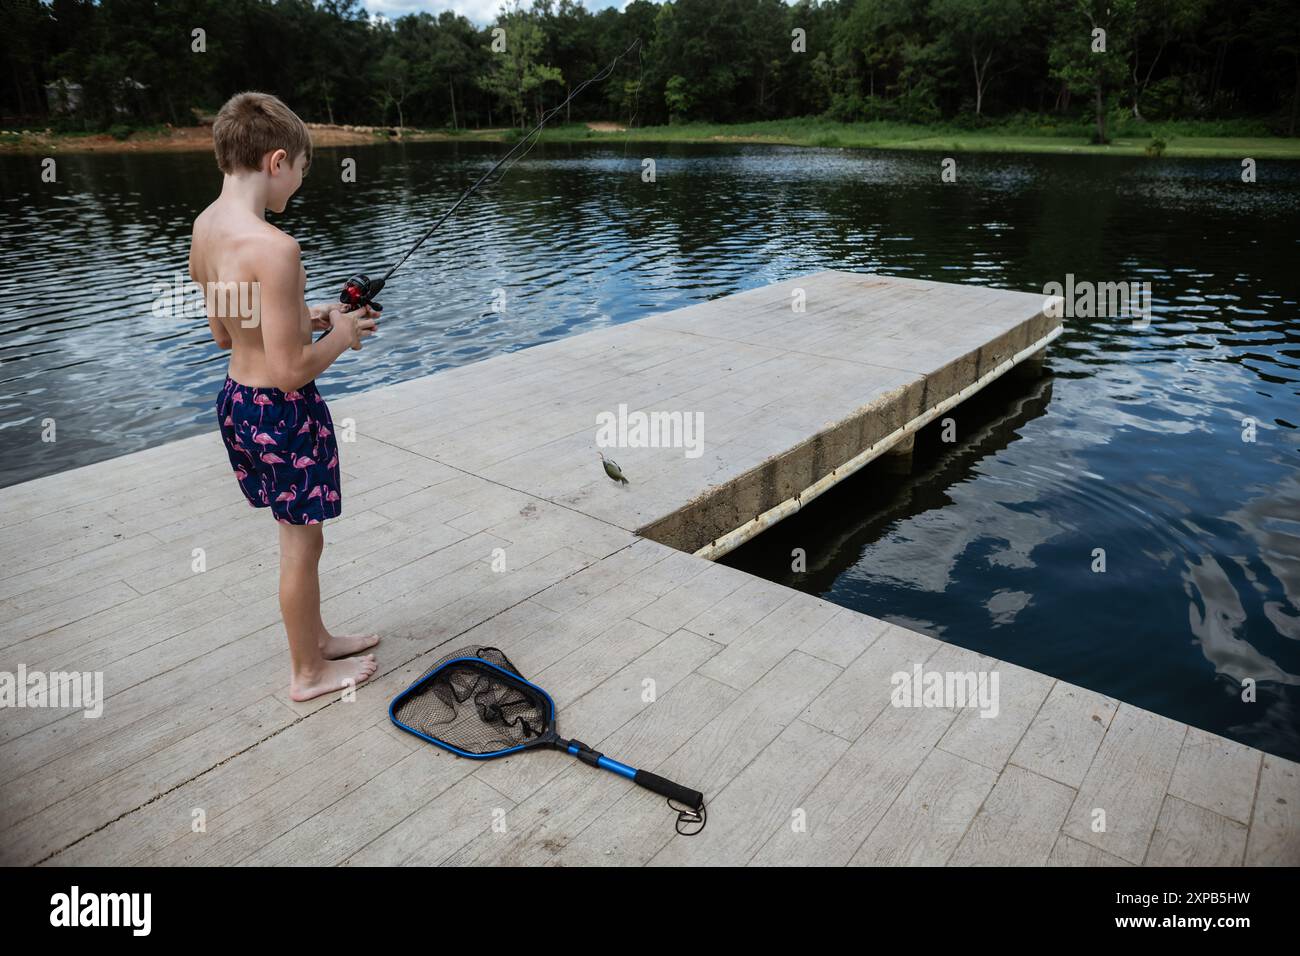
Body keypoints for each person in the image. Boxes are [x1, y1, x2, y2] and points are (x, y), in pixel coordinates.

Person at [190, 91, 381, 702]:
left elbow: (227, 333)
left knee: (304, 533)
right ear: (277, 162)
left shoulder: (206, 229)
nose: (297, 184)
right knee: (300, 544)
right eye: (300, 171)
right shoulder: (277, 248)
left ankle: (315, 638)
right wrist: (345, 334)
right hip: (284, 410)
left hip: (239, 404)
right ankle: (307, 672)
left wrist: (312, 313)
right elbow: (292, 370)